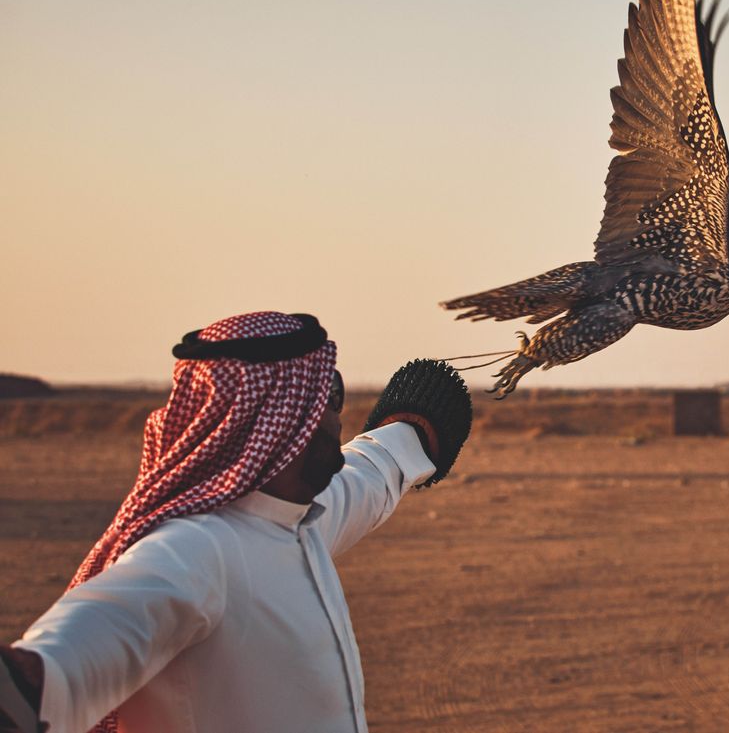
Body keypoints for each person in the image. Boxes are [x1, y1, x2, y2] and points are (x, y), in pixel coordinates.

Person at [0, 311, 472, 733]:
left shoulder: (299, 519)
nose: (336, 414)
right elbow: (61, 660)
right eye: (326, 395)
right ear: (282, 416)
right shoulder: (195, 552)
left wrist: (414, 430)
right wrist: (27, 682)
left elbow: (366, 476)